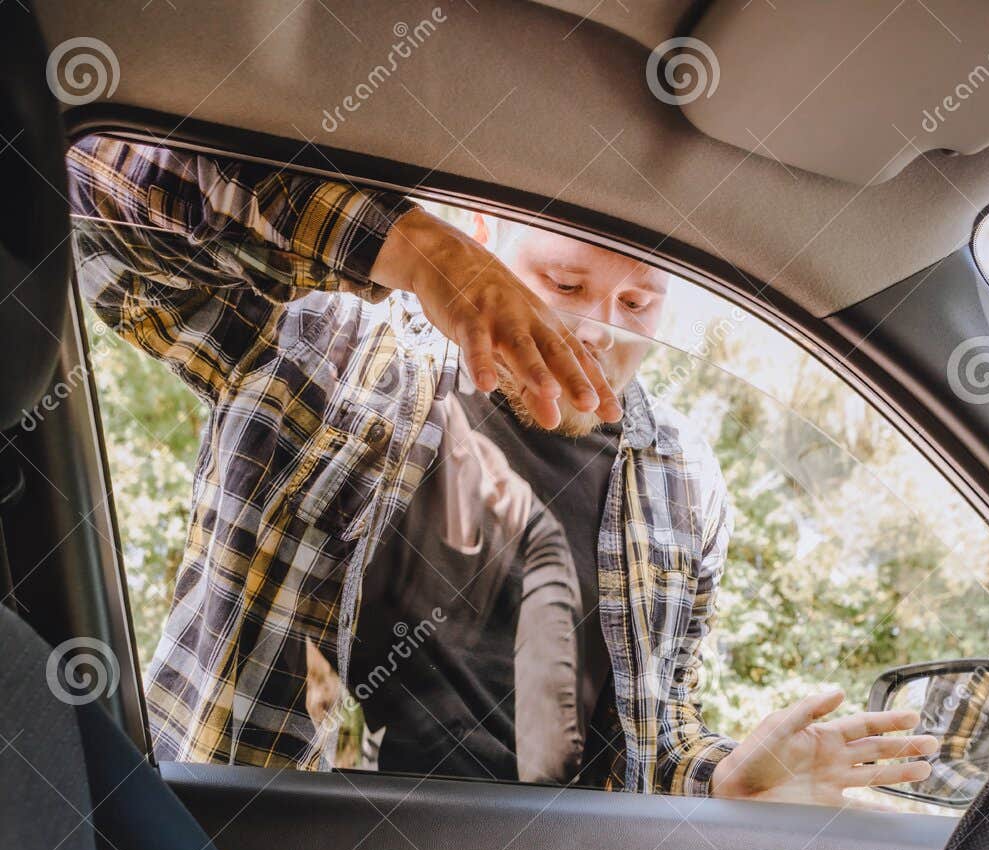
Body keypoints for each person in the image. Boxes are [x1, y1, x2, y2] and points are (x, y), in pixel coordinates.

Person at [69, 137, 936, 799]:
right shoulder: (318, 346)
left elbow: (653, 734)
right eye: (564, 284)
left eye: (637, 303)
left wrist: (723, 783)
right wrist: (413, 251)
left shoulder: (686, 483)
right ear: (484, 237)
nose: (599, 329)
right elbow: (93, 182)